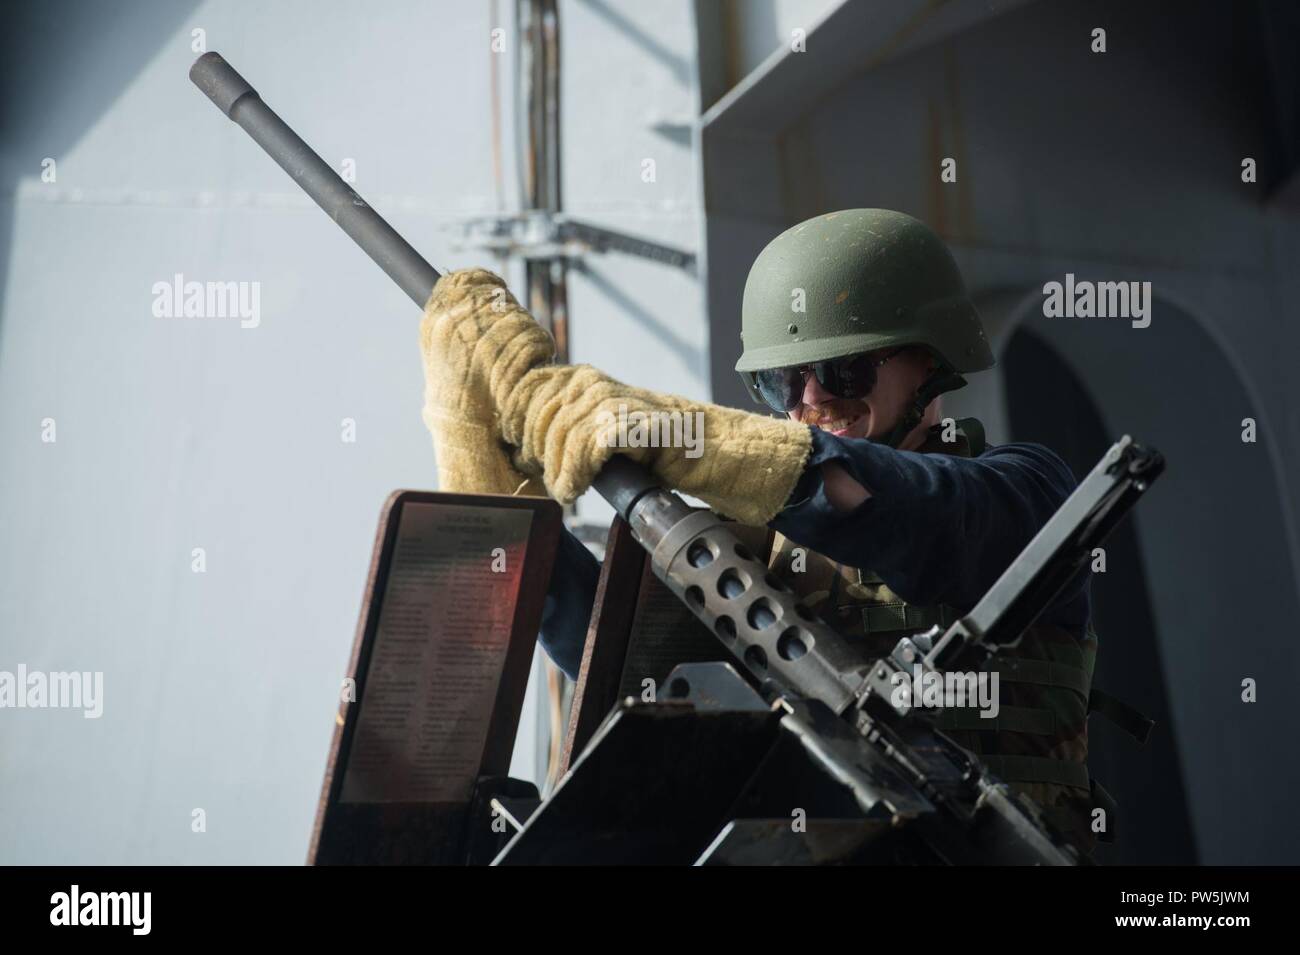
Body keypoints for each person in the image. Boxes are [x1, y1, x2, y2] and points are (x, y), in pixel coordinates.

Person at [418, 208, 1098, 851]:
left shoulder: (1028, 495)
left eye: (842, 372)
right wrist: (477, 435)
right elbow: (606, 652)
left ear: (931, 363)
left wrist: (668, 432)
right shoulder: (754, 562)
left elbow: (895, 510)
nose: (809, 401)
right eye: (782, 382)